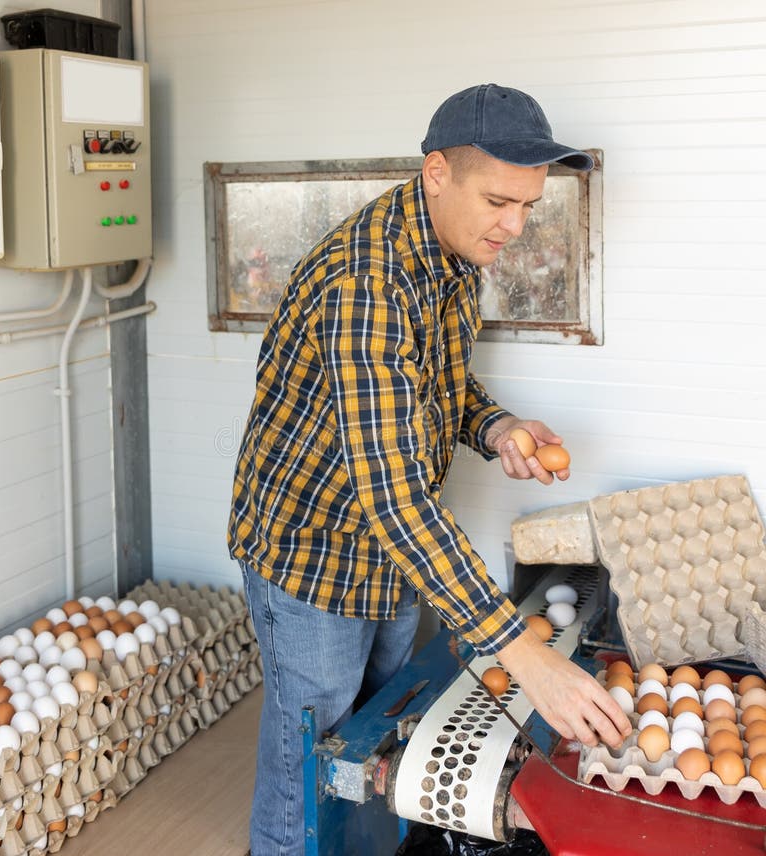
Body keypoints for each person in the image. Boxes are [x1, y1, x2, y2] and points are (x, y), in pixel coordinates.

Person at [228, 83, 632, 856]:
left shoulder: (449, 256)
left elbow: (434, 383)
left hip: (391, 552)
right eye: (498, 201)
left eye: (527, 205)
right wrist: (522, 655)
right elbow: (395, 497)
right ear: (437, 172)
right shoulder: (366, 283)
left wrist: (496, 424)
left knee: (381, 728)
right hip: (310, 552)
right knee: (309, 756)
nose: (513, 226)